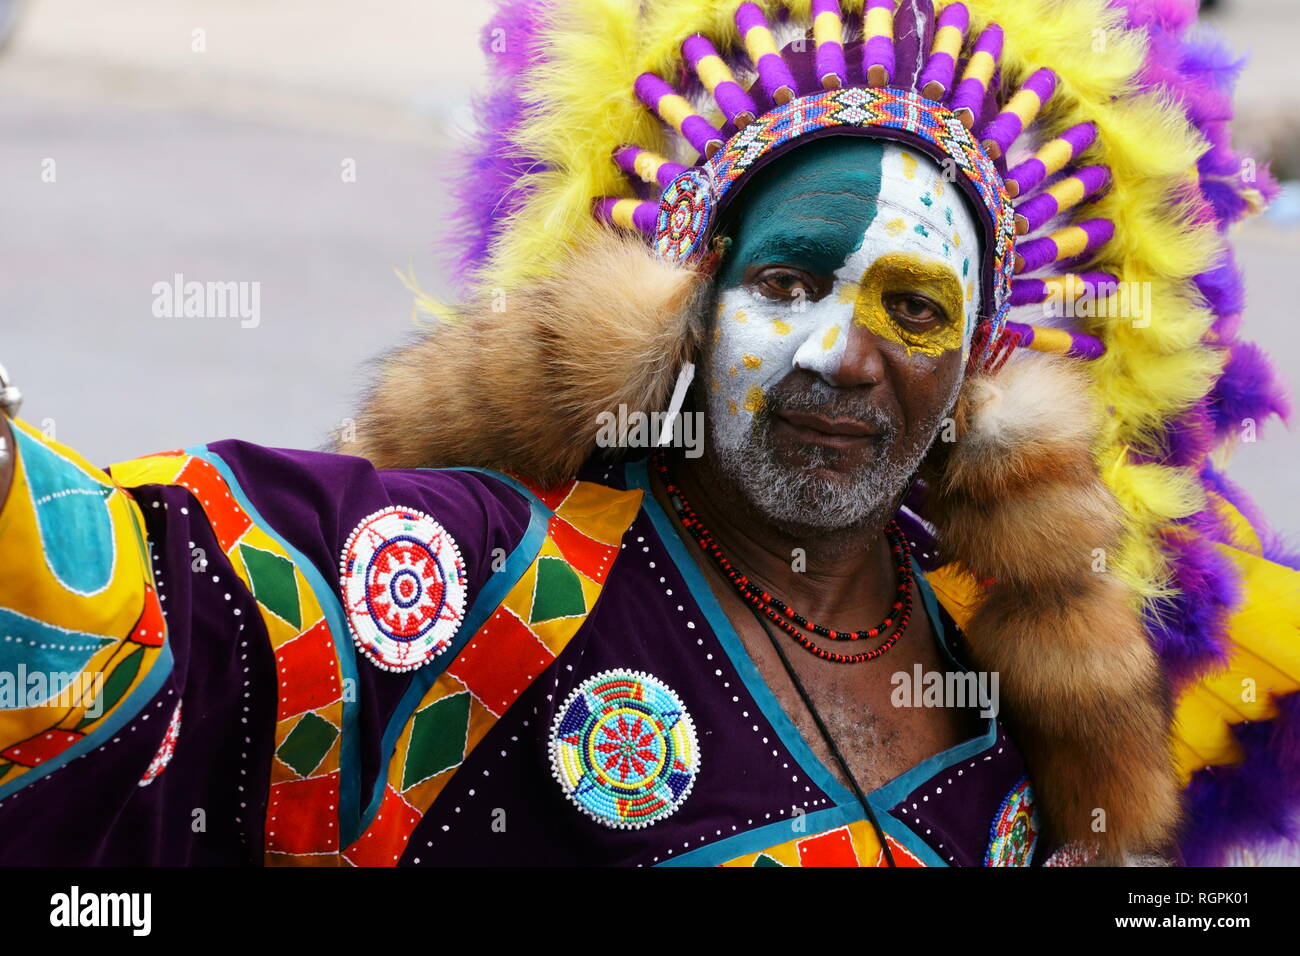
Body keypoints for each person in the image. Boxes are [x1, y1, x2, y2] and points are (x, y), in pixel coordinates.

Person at [0, 0, 1294, 867]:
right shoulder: (490, 586)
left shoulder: (1000, 711)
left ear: (972, 375)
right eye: (789, 284)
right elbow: (148, 609)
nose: (840, 354)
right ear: (693, 302)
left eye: (912, 309)